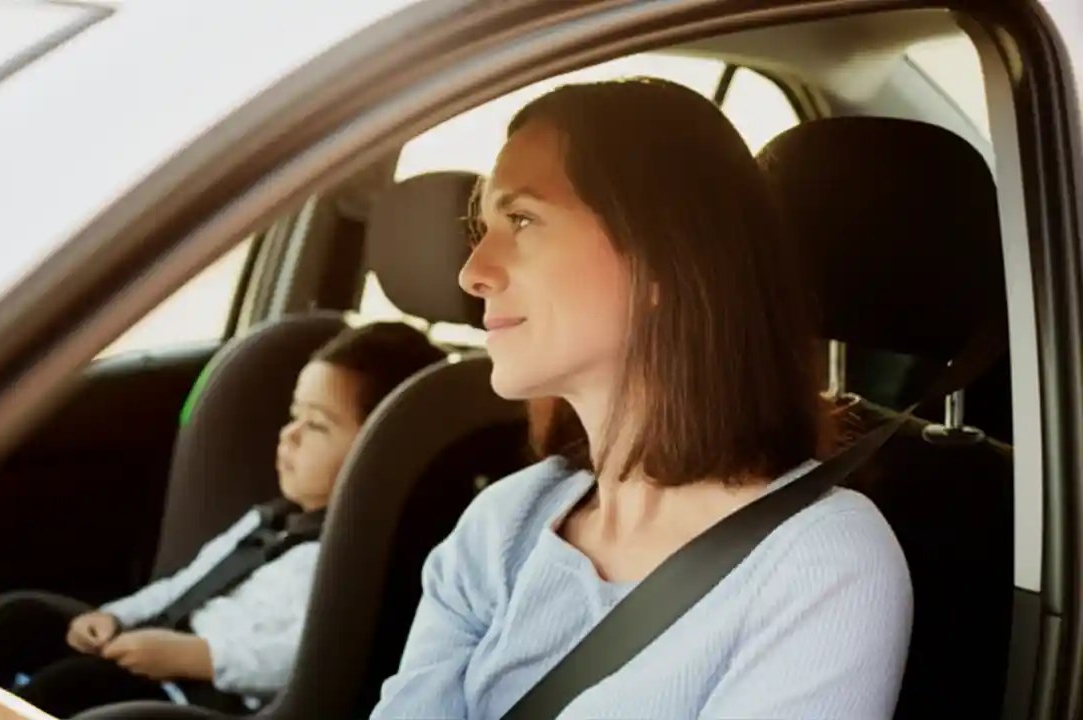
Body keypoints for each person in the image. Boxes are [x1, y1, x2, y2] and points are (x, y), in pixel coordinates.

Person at [372, 78, 912, 719]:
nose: (472, 273)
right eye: (479, 226)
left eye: (521, 220)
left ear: (661, 260)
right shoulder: (503, 525)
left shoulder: (819, 564)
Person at [0, 321, 445, 718]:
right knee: (20, 616)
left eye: (316, 427)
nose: (286, 437)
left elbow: (296, 657)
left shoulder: (345, 566)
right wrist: (118, 615)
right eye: (292, 415)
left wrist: (196, 656)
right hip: (153, 648)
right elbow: (184, 583)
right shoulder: (274, 520)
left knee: (72, 687)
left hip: (198, 695)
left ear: (377, 455)